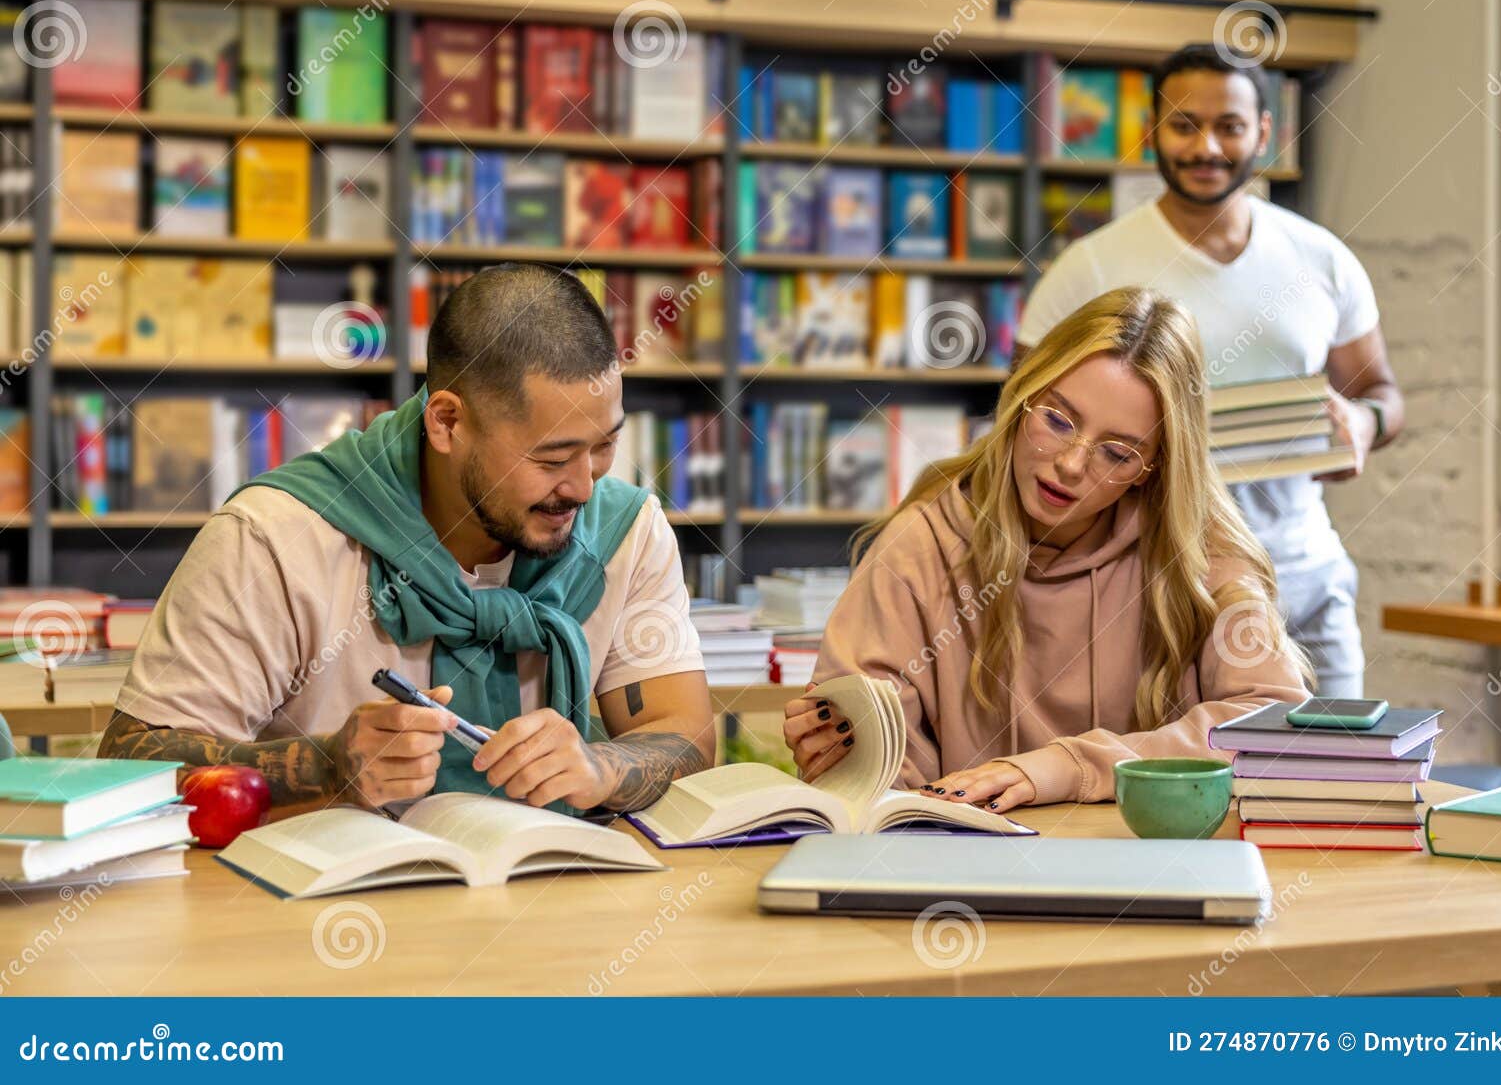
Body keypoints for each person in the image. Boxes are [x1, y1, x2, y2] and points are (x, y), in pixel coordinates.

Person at [100, 264, 714, 816]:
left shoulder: (625, 530)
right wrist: (325, 765)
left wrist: (601, 768)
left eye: (605, 445)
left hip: (551, 908)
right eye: (552, 458)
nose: (583, 487)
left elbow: (684, 731)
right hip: (308, 915)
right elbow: (132, 761)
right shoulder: (274, 537)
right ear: (447, 422)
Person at [784, 287, 1309, 811]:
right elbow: (885, 792)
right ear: (1020, 398)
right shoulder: (918, 548)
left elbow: (1276, 727)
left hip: (1153, 868)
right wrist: (849, 761)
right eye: (1057, 421)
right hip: (972, 878)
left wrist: (1069, 766)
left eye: (1117, 453)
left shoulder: (1200, 553)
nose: (1072, 465)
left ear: (1153, 472)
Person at [1014, 43, 1403, 699]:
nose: (1207, 147)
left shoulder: (1322, 258)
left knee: (1348, 785)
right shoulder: (1090, 268)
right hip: (1160, 587)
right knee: (1198, 784)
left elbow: (1383, 393)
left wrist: (1363, 422)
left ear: (1264, 134)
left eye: (1228, 126)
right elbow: (1023, 417)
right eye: (1185, 124)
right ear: (1151, 128)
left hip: (1307, 579)